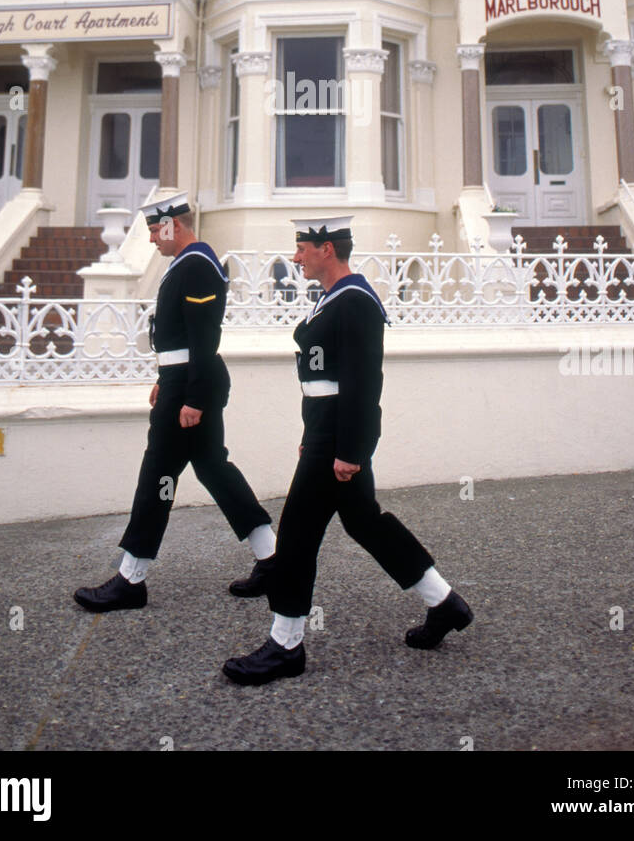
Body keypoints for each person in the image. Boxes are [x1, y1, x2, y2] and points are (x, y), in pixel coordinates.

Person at [222, 216, 473, 685]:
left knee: (295, 535)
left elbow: (362, 385)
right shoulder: (334, 299)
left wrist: (351, 451)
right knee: (366, 525)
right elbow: (323, 383)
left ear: (327, 249)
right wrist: (311, 432)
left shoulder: (355, 302)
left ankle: (285, 645)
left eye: (301, 248)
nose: (295, 257)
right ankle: (444, 603)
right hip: (327, 434)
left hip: (340, 441)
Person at [73, 192, 275, 612]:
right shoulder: (186, 265)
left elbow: (204, 338)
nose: (151, 241)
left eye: (154, 230)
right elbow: (182, 338)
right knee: (214, 470)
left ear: (174, 225)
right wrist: (164, 378)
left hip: (191, 388)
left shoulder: (198, 264)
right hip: (181, 382)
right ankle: (272, 559)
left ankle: (131, 579)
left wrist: (193, 397)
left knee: (157, 477)